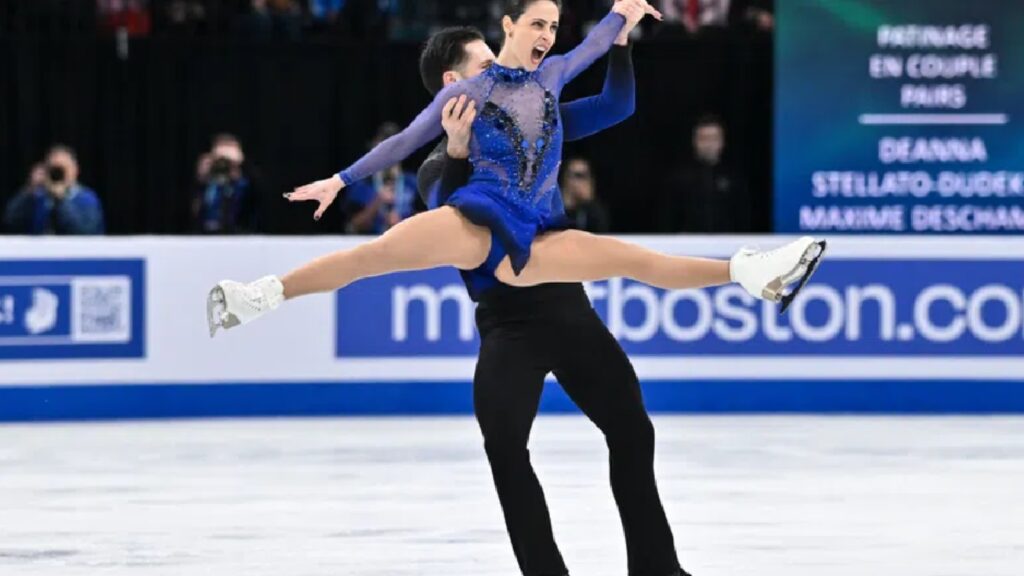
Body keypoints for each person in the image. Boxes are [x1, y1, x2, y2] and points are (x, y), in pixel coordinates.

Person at [207, 0, 824, 334]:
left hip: (533, 237)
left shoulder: (552, 80)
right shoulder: (470, 94)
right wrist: (340, 180)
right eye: (536, 23)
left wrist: (623, 16)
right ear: (508, 24)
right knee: (373, 257)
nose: (547, 35)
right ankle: (260, 297)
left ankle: (751, 273)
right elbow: (406, 142)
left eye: (553, 25)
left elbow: (595, 51)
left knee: (634, 260)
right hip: (481, 218)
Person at [413, 17, 691, 576]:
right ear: (452, 84)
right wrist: (462, 149)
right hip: (507, 326)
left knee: (633, 430)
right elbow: (446, 202)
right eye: (486, 66)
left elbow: (616, 106)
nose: (503, 70)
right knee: (505, 448)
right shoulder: (434, 168)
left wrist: (618, 42)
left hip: (566, 310)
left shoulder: (538, 119)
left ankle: (657, 569)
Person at [3, 145, 105, 235]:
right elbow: (10, 220)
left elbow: (84, 231)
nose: (57, 174)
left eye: (61, 170)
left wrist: (61, 200)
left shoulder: (87, 198)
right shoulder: (38, 197)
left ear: (75, 170)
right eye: (53, 170)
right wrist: (29, 190)